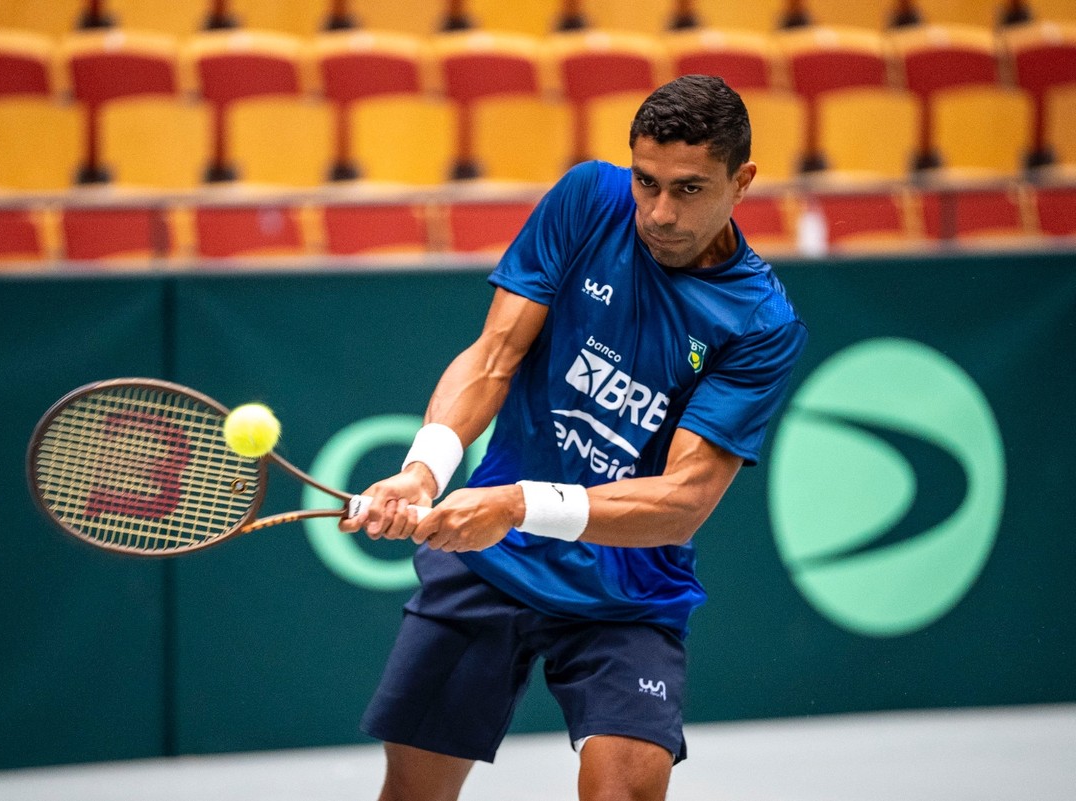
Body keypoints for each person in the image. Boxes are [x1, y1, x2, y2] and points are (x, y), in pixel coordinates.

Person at [340, 74, 808, 801]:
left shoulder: (759, 324)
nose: (658, 211)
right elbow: (495, 354)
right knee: (411, 793)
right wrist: (424, 471)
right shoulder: (589, 199)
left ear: (742, 180)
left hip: (626, 592)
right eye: (646, 181)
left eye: (688, 189)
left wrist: (517, 503)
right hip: (489, 562)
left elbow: (684, 499)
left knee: (624, 789)